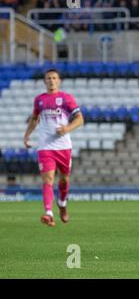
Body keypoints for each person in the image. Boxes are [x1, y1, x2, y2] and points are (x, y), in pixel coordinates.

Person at [23, 69, 83, 227]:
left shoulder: (66, 98)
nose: (51, 80)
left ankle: (62, 203)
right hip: (45, 146)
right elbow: (35, 119)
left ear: (59, 81)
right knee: (48, 179)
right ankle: (48, 213)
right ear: (44, 81)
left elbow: (80, 119)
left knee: (64, 180)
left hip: (63, 146)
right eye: (48, 78)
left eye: (54, 78)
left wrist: (67, 128)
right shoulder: (39, 100)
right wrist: (27, 135)